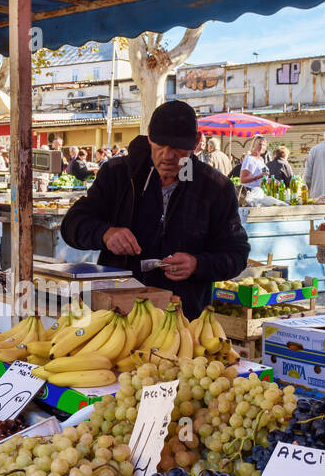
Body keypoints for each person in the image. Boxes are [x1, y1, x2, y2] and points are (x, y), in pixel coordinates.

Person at [60, 100, 250, 320]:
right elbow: (72, 224)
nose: (167, 156)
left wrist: (198, 264)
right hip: (116, 314)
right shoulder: (117, 174)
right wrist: (105, 233)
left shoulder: (215, 187)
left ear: (197, 141)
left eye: (178, 147)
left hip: (182, 317)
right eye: (160, 145)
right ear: (149, 135)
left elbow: (236, 254)